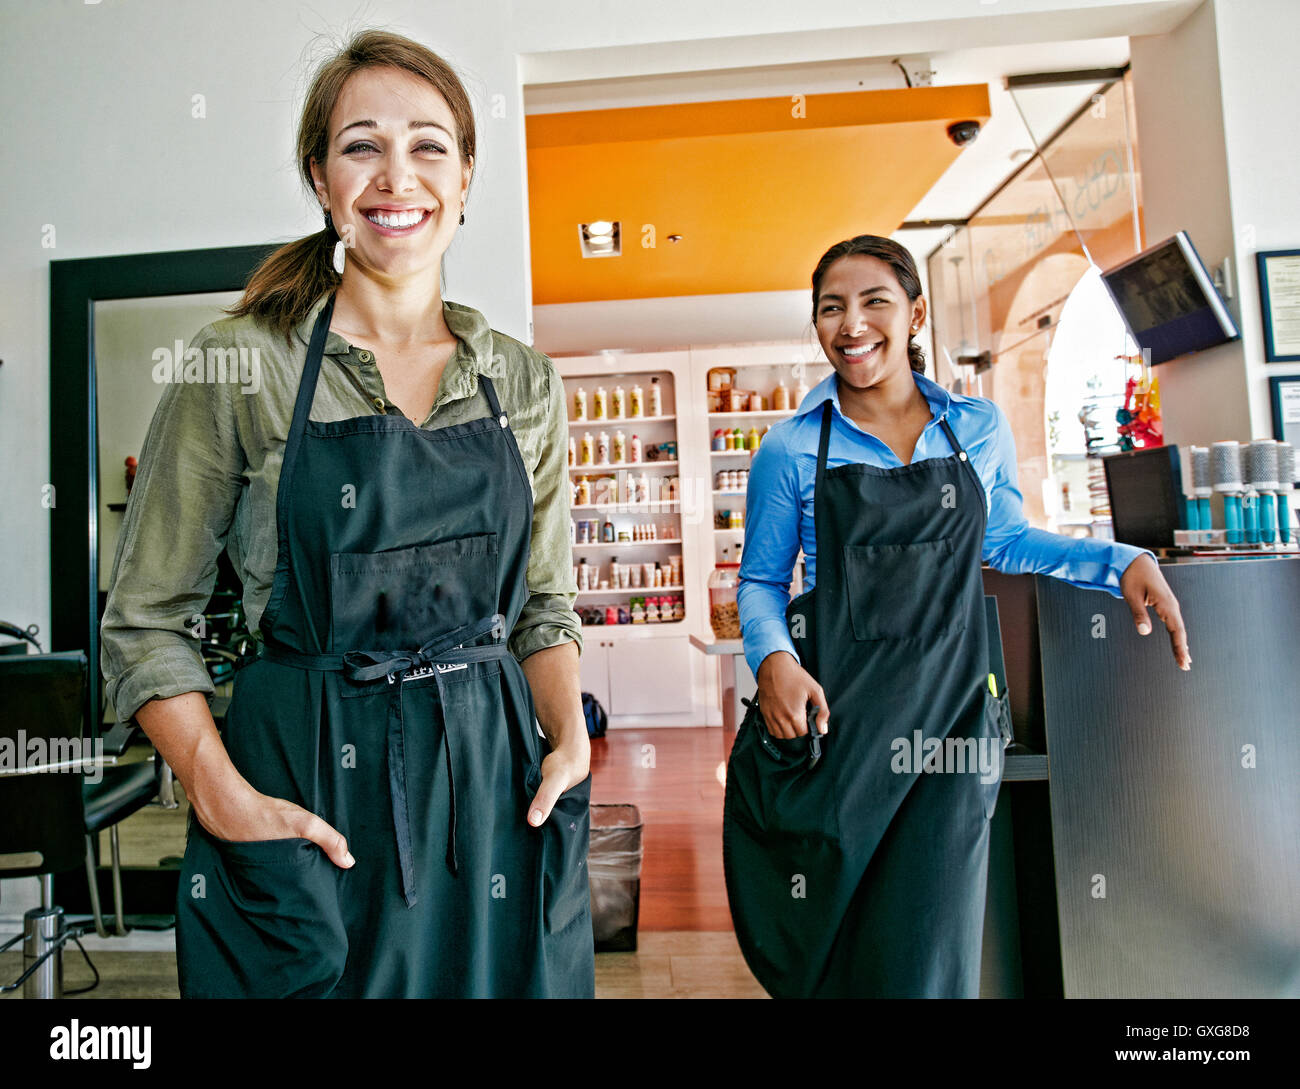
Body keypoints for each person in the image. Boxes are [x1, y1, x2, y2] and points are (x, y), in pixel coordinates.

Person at [99, 30, 594, 998]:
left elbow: (542, 604)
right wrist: (219, 795)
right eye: (361, 145)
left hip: (491, 787)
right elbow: (145, 618)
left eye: (427, 145)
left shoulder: (522, 382)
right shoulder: (242, 361)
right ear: (321, 179)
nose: (394, 175)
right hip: (304, 780)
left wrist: (567, 740)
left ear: (465, 177)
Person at [723, 234, 1191, 999]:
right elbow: (761, 581)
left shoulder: (974, 429)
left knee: (929, 950)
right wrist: (774, 659)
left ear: (914, 313)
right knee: (843, 950)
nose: (851, 324)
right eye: (830, 308)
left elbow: (1004, 541)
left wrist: (1120, 562)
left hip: (952, 725)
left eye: (873, 301)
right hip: (841, 725)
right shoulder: (792, 447)